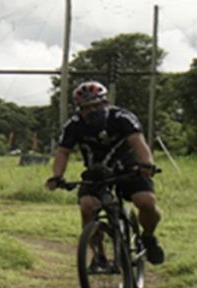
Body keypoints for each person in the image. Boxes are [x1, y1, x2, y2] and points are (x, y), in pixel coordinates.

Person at [45, 80, 164, 264]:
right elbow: (63, 151)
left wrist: (146, 165)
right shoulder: (74, 125)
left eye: (95, 106)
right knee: (87, 206)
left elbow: (138, 142)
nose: (91, 111)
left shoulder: (122, 118)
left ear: (105, 103)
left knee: (146, 202)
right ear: (79, 109)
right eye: (85, 108)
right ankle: (98, 254)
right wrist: (57, 176)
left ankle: (148, 237)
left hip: (128, 165)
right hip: (97, 169)